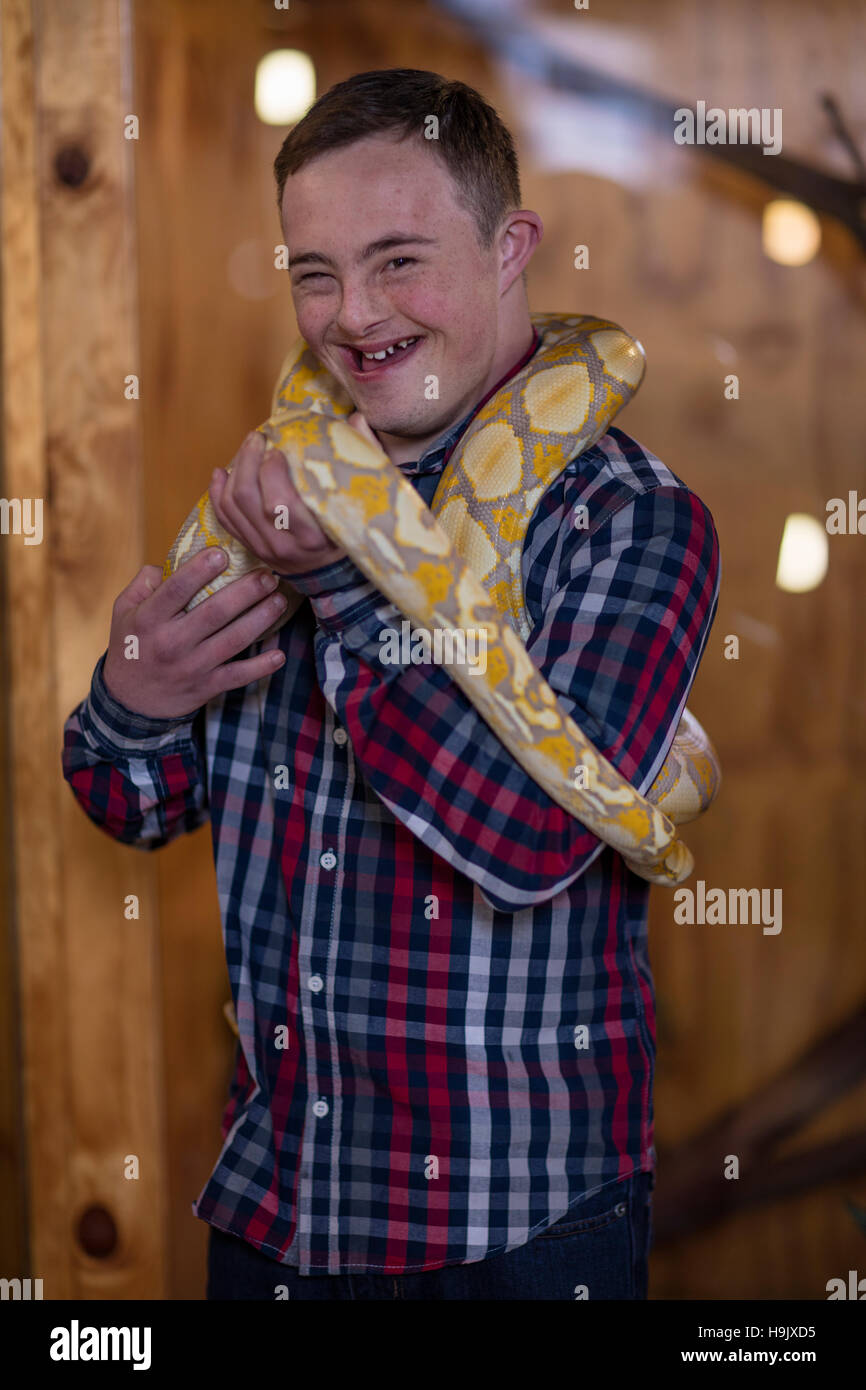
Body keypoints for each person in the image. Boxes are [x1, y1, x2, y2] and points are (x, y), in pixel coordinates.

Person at [62, 68, 720, 1300]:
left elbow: (529, 841)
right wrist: (132, 703)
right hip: (277, 1207)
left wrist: (352, 591)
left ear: (509, 245)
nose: (349, 313)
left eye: (397, 260)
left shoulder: (627, 522)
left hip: (514, 1227)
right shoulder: (276, 498)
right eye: (313, 270)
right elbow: (132, 804)